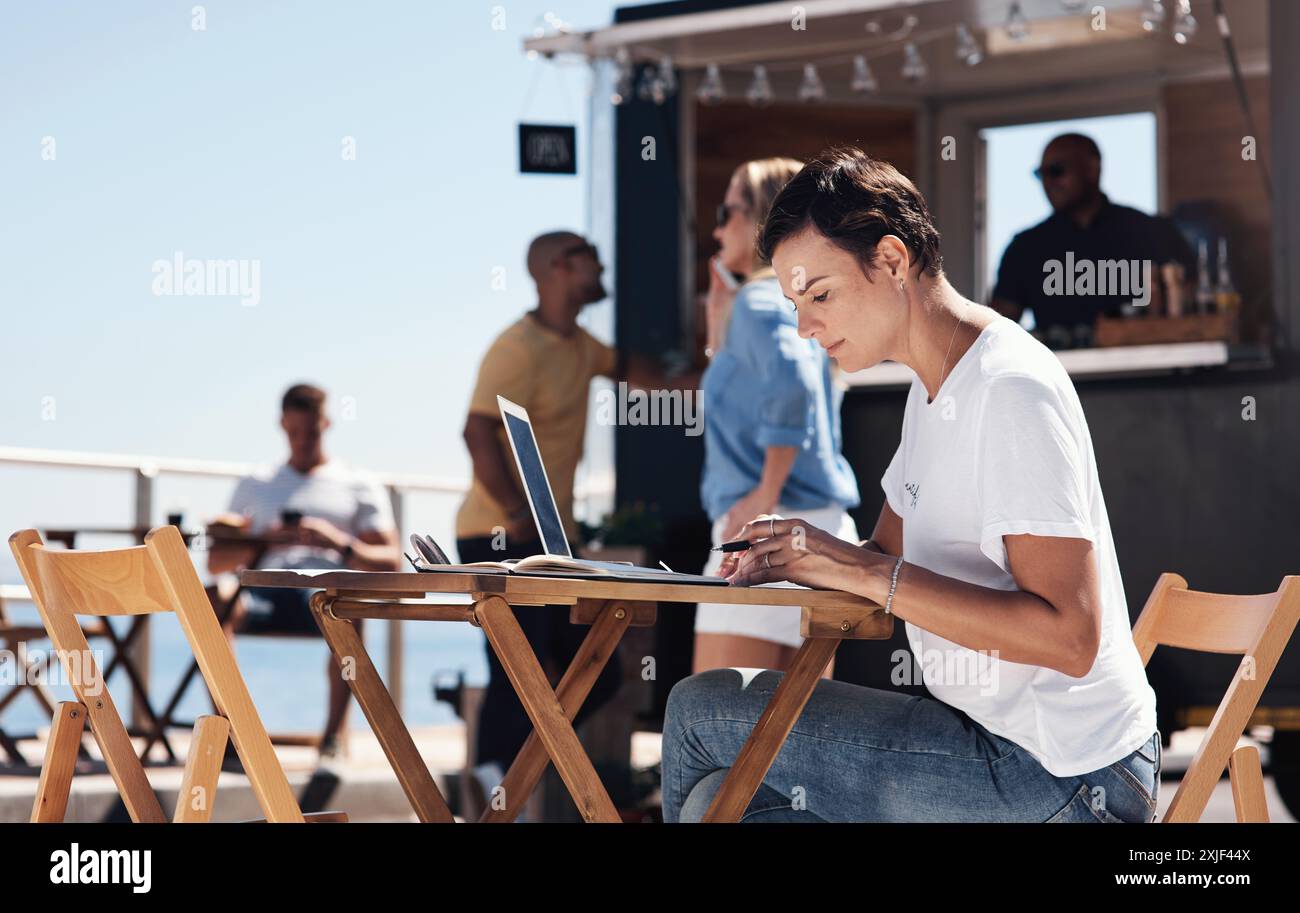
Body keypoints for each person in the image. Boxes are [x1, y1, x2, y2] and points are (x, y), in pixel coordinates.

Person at [662, 148, 1159, 823]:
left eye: (820, 296)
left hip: (1061, 778)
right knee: (716, 804)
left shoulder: (1008, 389)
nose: (805, 329)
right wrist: (791, 558)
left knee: (700, 709)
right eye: (794, 304)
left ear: (893, 260)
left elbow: (1070, 637)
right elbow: (876, 555)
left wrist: (865, 569)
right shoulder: (932, 392)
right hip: (988, 744)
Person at [457, 230, 694, 804]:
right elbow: (476, 431)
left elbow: (640, 374)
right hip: (496, 535)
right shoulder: (515, 348)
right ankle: (494, 778)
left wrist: (710, 361)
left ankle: (517, 767)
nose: (603, 266)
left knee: (599, 669)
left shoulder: (581, 345)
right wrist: (516, 513)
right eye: (592, 259)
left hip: (550, 538)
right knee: (520, 665)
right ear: (560, 268)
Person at [694, 158, 861, 675]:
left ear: (760, 220)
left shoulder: (759, 303)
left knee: (714, 732)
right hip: (811, 533)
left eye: (728, 211)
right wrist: (718, 333)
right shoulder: (777, 302)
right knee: (794, 740)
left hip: (766, 535)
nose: (718, 228)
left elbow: (790, 382)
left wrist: (764, 493)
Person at [208, 383, 401, 754]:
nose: (302, 442)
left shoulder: (357, 484)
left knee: (346, 604)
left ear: (326, 424)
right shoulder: (255, 484)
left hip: (322, 592)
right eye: (295, 432)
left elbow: (390, 562)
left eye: (310, 432)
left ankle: (331, 738)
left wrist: (336, 541)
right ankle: (231, 730)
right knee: (211, 598)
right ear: (282, 425)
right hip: (262, 591)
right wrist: (267, 539)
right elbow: (216, 562)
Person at [990, 132, 1194, 348]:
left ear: (1092, 169)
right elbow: (996, 332)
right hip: (1061, 378)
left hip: (1148, 373)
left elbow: (1194, 305)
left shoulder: (1151, 232)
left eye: (1057, 171)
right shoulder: (1024, 248)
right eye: (1041, 174)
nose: (1048, 182)